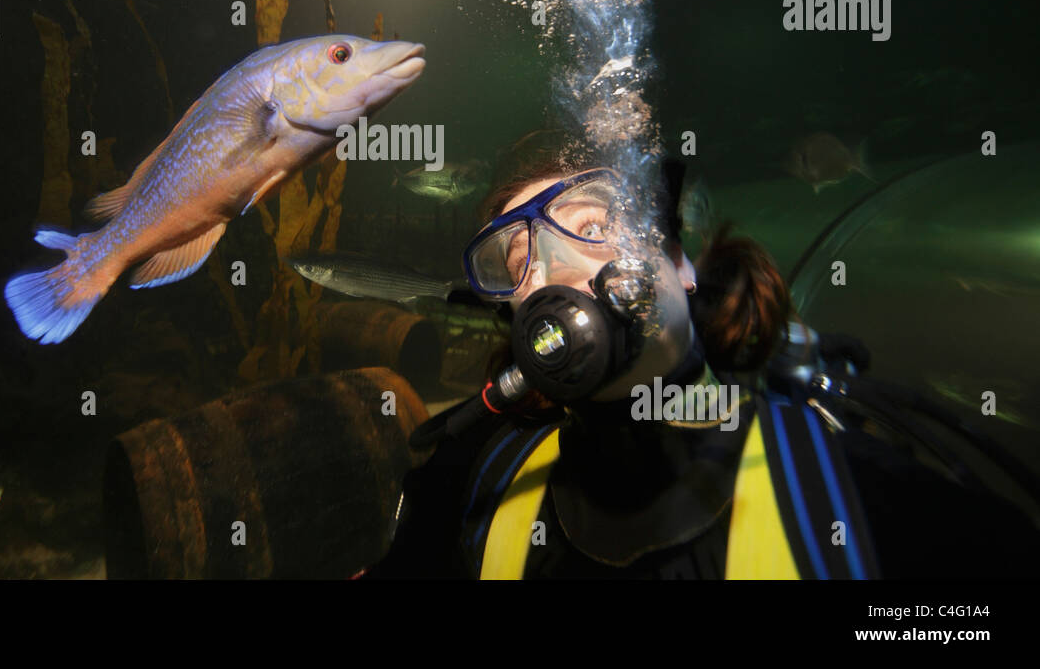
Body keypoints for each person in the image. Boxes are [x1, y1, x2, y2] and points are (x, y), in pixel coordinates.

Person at [364, 146, 1040, 579]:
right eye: (518, 262)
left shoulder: (862, 493)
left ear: (682, 265)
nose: (552, 272)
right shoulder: (470, 489)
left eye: (594, 227)